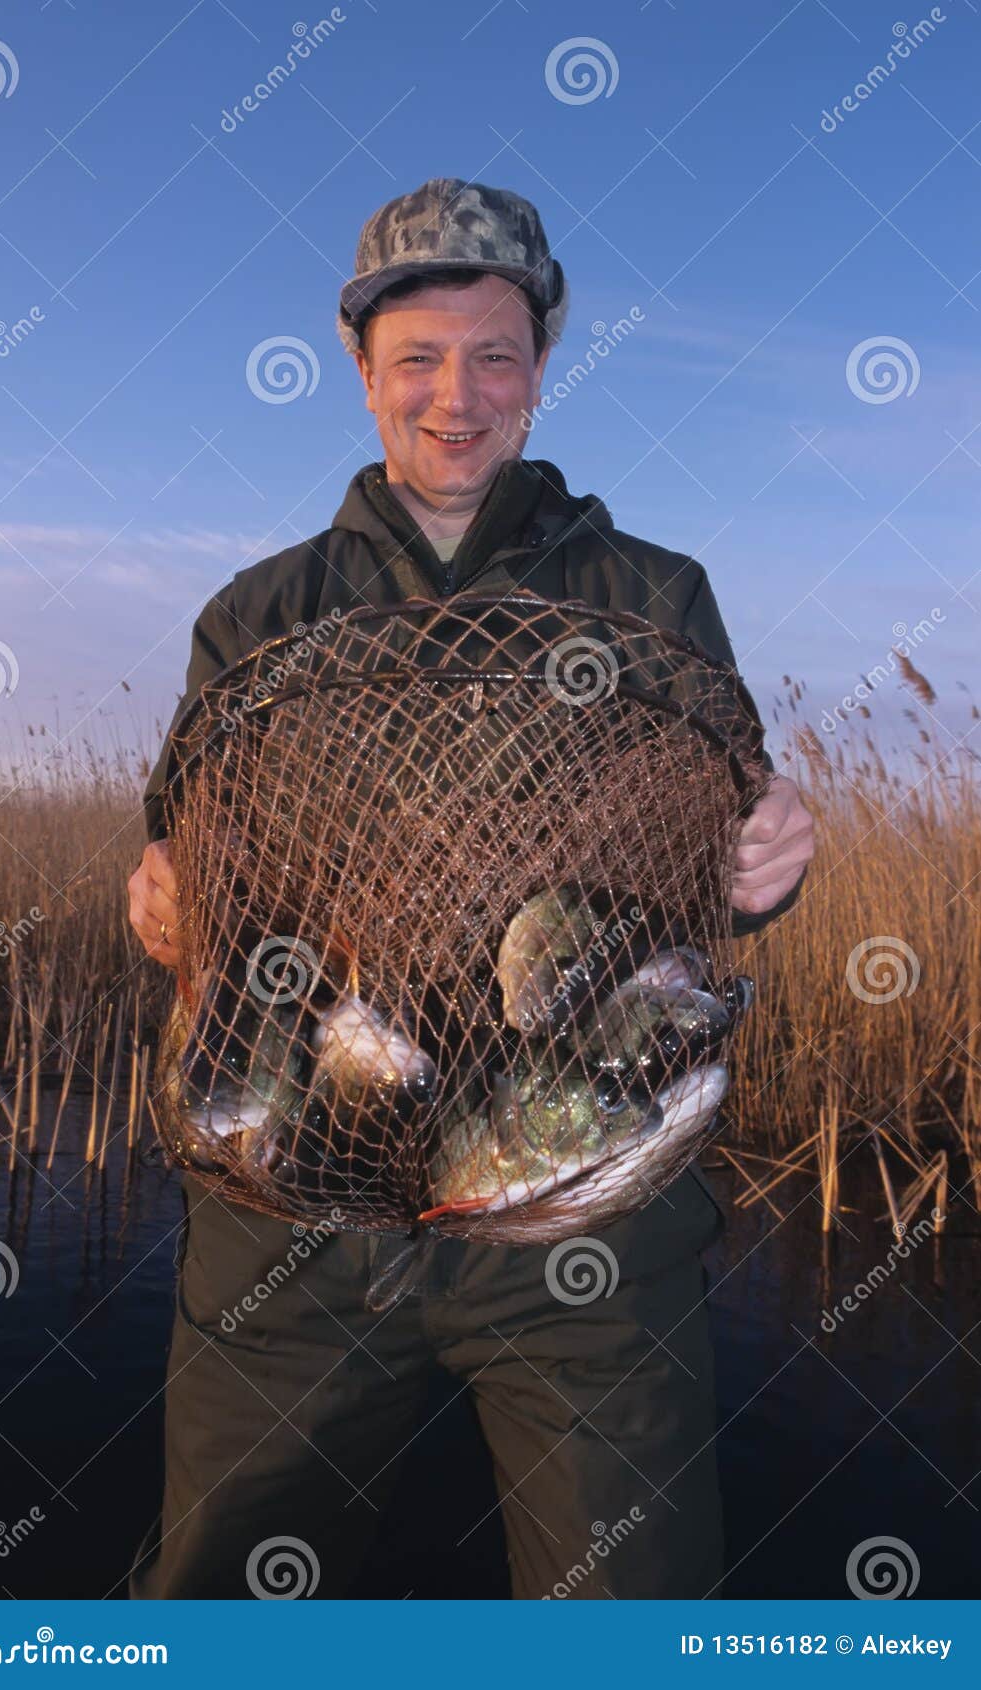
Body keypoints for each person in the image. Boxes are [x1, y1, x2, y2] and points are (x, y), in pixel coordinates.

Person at [126, 178, 815, 1600]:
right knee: (218, 1594)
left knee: (630, 1609)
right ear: (360, 367)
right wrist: (161, 907)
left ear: (540, 371)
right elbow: (201, 878)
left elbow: (699, 880)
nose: (457, 397)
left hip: (585, 1230)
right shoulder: (258, 616)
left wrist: (762, 868)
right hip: (294, 1220)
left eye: (495, 356)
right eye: (418, 358)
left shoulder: (648, 595)